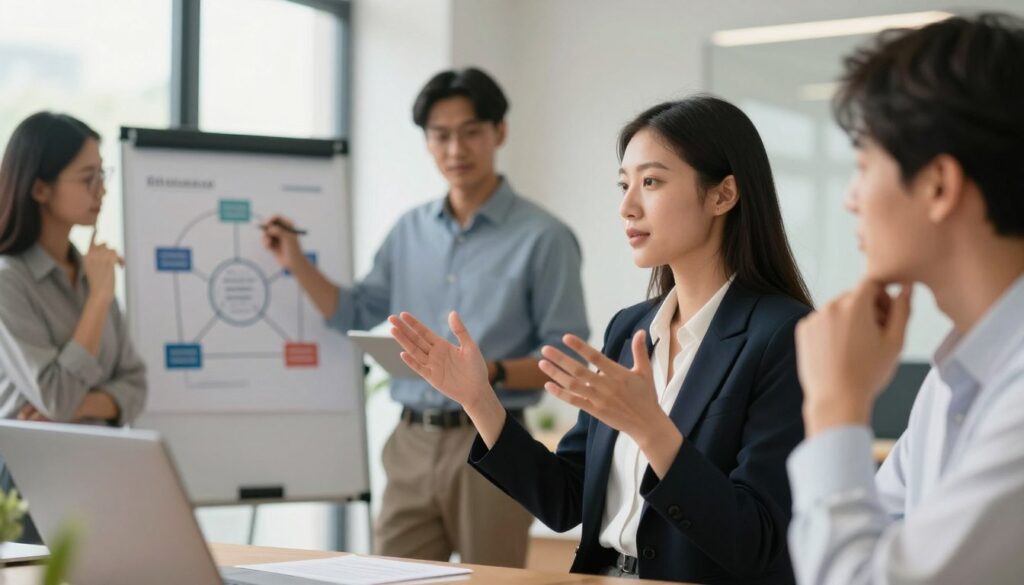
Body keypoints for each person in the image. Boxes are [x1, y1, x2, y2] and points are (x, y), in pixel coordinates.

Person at [390, 95, 812, 583]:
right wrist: (479, 400)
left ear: (723, 195)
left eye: (650, 182)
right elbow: (567, 499)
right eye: (624, 184)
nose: (627, 207)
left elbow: (757, 542)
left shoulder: (785, 335)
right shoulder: (630, 329)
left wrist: (653, 431)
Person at [261, 67, 589, 568]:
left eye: (471, 132)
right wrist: (296, 263)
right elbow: (353, 310)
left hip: (494, 437)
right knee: (389, 576)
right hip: (411, 441)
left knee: (491, 581)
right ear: (427, 142)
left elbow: (564, 358)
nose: (455, 149)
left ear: (499, 132)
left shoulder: (545, 237)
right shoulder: (407, 231)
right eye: (441, 136)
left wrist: (485, 376)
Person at [787, 13, 1024, 585]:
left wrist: (835, 407)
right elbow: (890, 538)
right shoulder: (953, 376)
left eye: (864, 166)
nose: (850, 198)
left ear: (939, 184)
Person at [0, 112, 148, 543]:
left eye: (103, 175)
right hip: (26, 481)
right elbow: (56, 396)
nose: (101, 189)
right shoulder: (9, 280)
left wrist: (82, 408)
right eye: (88, 178)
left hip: (97, 473)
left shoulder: (91, 271)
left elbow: (136, 387)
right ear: (40, 188)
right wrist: (99, 301)